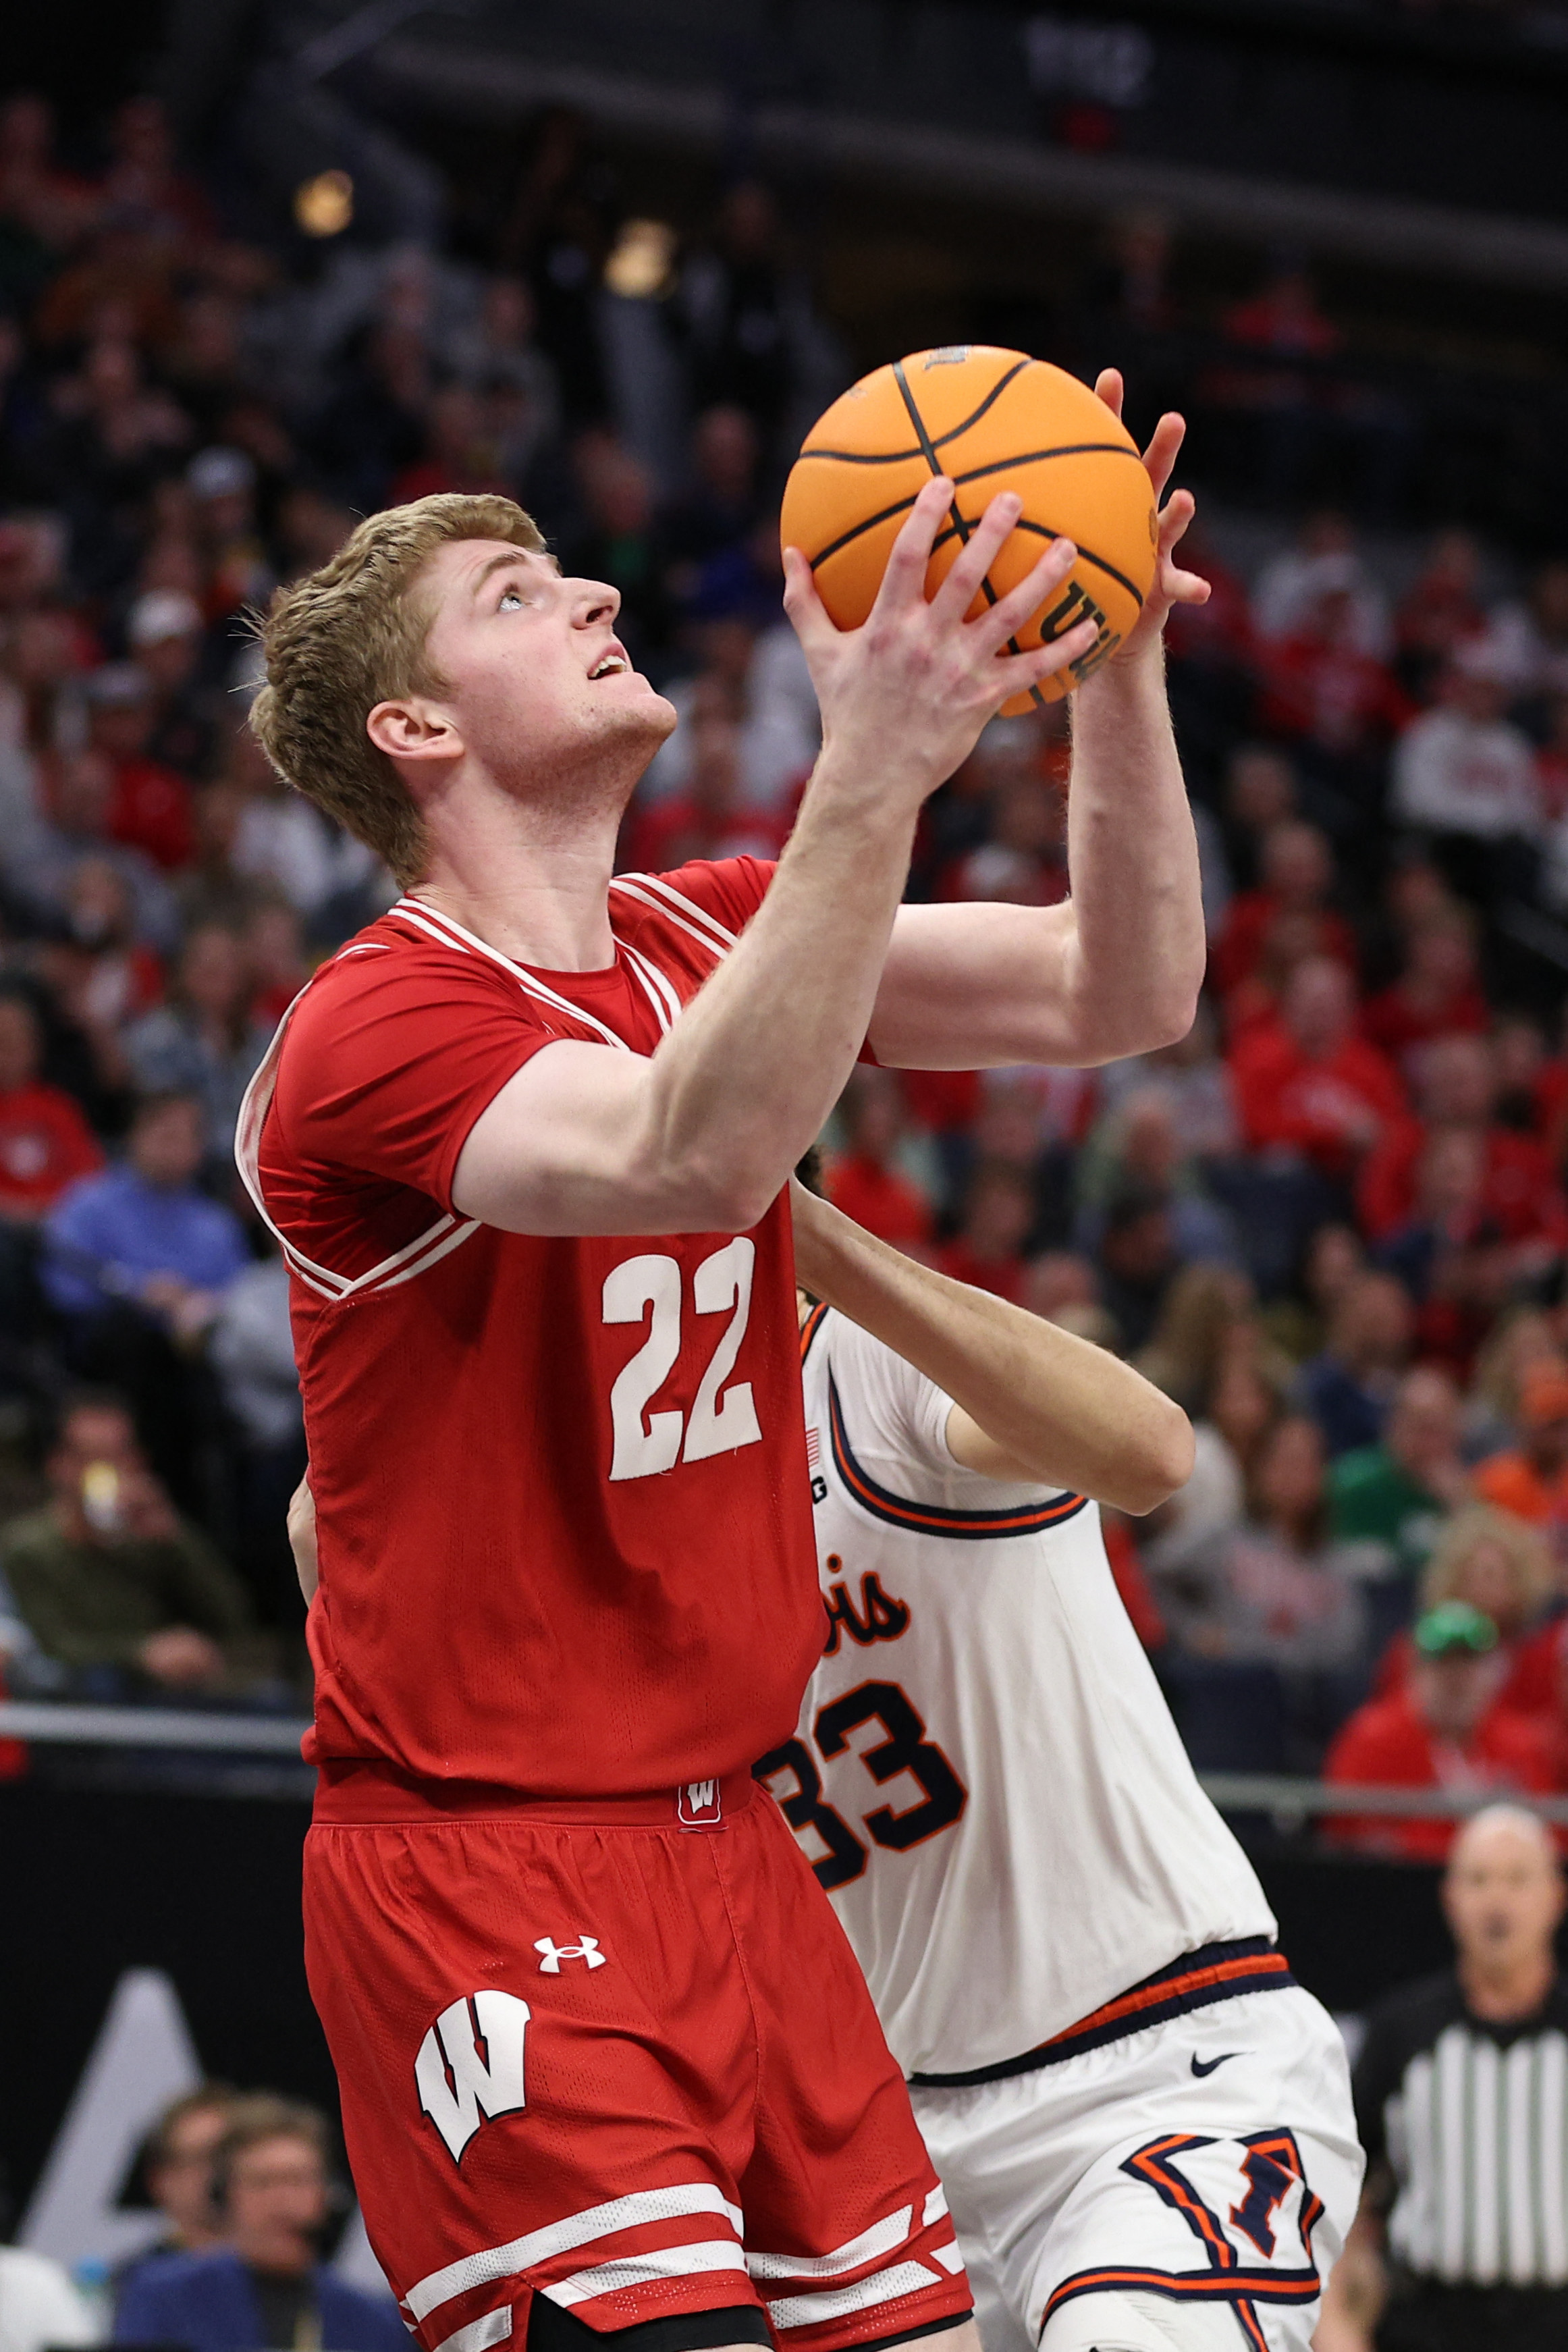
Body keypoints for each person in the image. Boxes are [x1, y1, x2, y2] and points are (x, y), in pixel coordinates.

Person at [242, 396, 1208, 2352]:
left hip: (739, 1847)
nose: (594, 586)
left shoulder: (701, 928)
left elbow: (1117, 989)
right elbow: (689, 1147)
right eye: (518, 593)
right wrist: (874, 759)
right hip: (486, 1856)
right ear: (413, 732)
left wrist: (1116, 670)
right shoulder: (373, 1026)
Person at [766, 1179, 1362, 2352]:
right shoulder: (613, 1477)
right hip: (883, 2139)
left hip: (1147, 2069)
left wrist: (807, 1237)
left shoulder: (865, 1363)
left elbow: (1149, 1448)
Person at [1318, 1808, 1568, 2352]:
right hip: (1429, 2325)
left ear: (1554, 1895)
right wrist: (1335, 2327)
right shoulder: (1402, 2033)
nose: (1496, 1901)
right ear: (1450, 1898)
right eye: (1478, 1880)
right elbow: (1327, 2189)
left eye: (1517, 1878)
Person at [0, 1390, 254, 1691]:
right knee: (101, 1683)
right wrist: (143, 1653)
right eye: (90, 1458)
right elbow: (50, 1647)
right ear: (59, 1464)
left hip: (173, 1696)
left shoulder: (156, 1538)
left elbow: (234, 1620)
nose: (105, 1471)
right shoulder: (28, 1548)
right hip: (85, 1700)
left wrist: (175, 1538)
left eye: (117, 1456)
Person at [115, 2095, 405, 2352]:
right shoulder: (162, 2296)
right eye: (262, 2182)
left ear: (326, 2196)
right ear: (225, 2195)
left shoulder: (376, 2319)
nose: (281, 2201)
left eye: (297, 2180)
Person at [1323, 1603, 1557, 1862]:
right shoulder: (1371, 1739)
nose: (1456, 1678)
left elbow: (1546, 1836)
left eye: (1469, 1663)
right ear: (1415, 1670)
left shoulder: (1520, 1743)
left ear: (1492, 1673)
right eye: (1443, 1663)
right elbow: (1345, 1835)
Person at [115, 2085, 240, 2299]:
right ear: (160, 2180)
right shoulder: (127, 2288)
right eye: (203, 2158)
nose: (218, 2174)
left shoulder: (299, 2280)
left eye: (229, 2157)